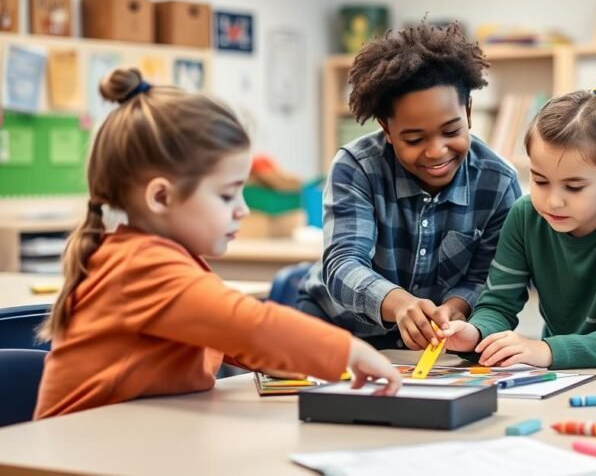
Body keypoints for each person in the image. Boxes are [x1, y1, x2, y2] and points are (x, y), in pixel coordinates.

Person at [35, 69, 400, 419]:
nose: (243, 209)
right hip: (70, 453)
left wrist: (295, 358)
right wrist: (348, 351)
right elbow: (249, 327)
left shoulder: (167, 260)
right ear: (161, 197)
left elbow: (231, 338)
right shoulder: (139, 266)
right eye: (227, 196)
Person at [297, 23, 521, 351]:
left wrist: (457, 307)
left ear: (469, 112)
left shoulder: (498, 182)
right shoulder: (357, 167)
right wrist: (398, 302)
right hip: (335, 328)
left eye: (450, 131)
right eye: (414, 139)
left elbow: (490, 278)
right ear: (386, 129)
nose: (436, 151)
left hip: (430, 346)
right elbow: (343, 262)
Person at [442, 70, 596, 369]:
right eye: (540, 181)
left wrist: (545, 351)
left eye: (574, 187)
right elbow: (497, 305)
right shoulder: (524, 216)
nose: (553, 200)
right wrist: (474, 332)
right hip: (568, 370)